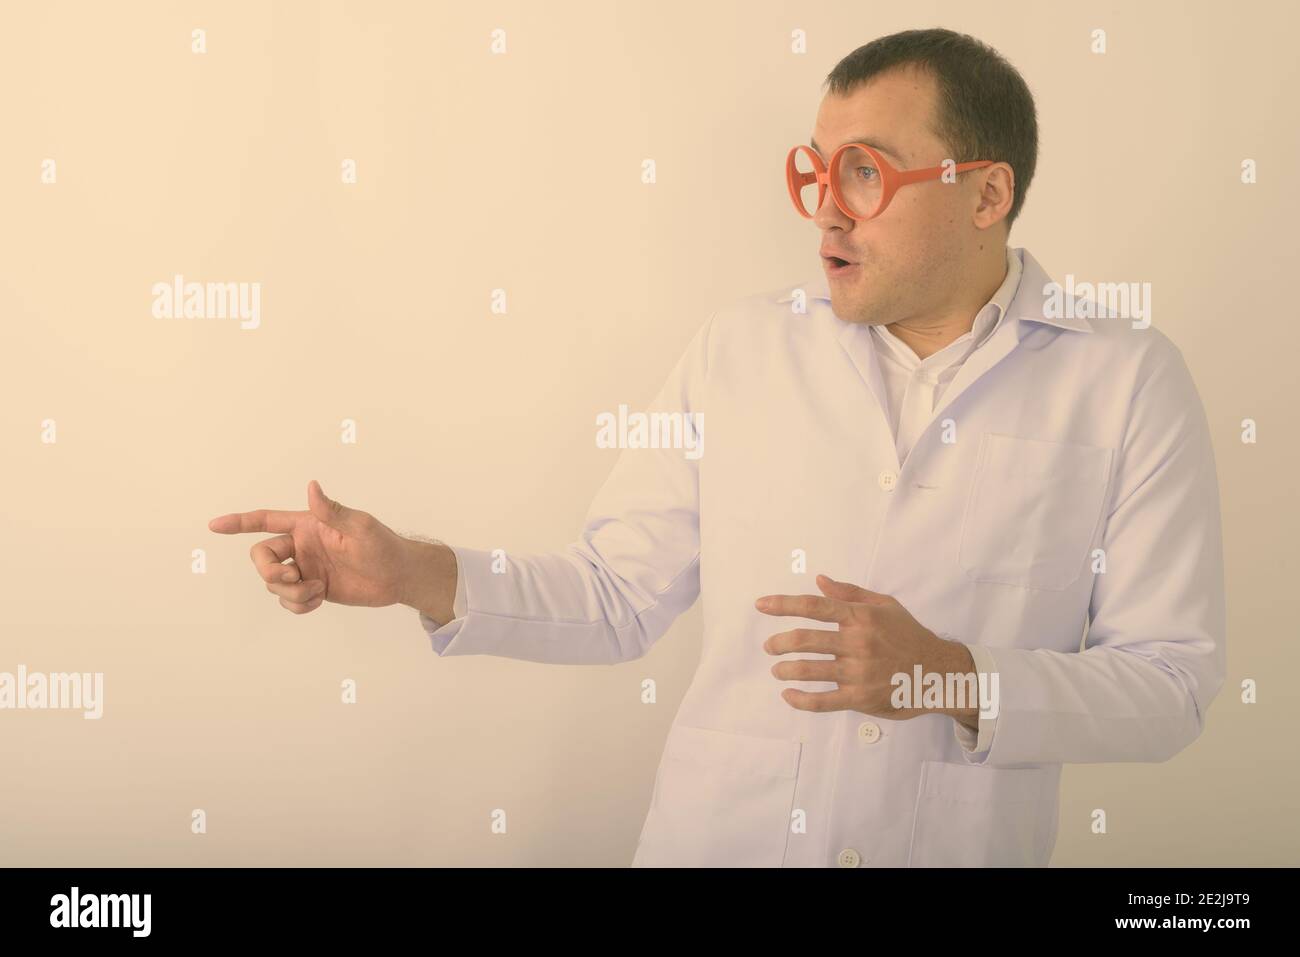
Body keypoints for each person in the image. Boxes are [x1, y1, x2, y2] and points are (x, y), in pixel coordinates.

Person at [208, 28, 1225, 867]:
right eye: (817, 171)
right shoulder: (740, 350)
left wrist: (952, 677)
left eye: (863, 172)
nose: (825, 206)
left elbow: (1169, 685)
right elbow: (615, 596)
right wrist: (412, 574)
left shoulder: (1125, 381)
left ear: (986, 196)